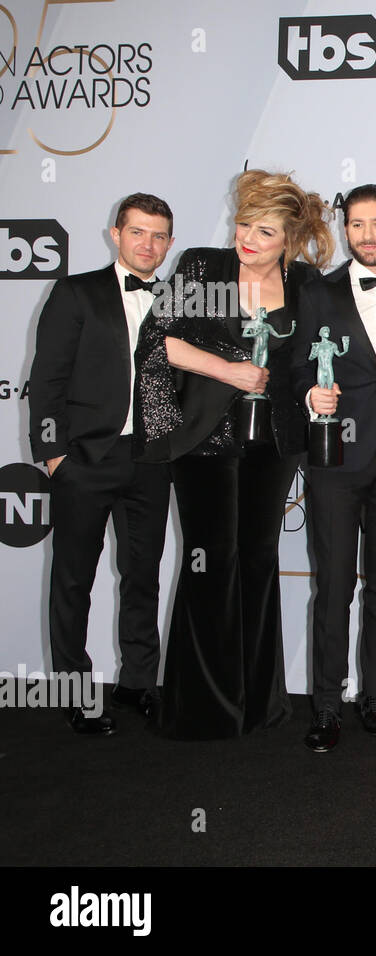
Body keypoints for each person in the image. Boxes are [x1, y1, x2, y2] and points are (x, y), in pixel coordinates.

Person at [135, 169, 332, 739]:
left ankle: (258, 703)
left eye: (265, 233)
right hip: (204, 440)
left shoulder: (304, 285)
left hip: (272, 444)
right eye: (244, 225)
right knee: (208, 561)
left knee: (256, 560)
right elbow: (158, 338)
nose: (248, 239)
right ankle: (204, 710)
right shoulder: (204, 267)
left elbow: (301, 365)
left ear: (288, 240)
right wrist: (229, 371)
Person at [28, 193, 175, 733]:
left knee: (143, 577)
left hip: (151, 460)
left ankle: (138, 683)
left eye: (159, 236)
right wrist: (52, 456)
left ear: (170, 243)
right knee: (74, 580)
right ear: (117, 234)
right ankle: (74, 694)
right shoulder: (76, 292)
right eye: (138, 232)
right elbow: (45, 382)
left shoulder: (176, 300)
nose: (148, 244)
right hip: (84, 459)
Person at [290, 184, 376, 752]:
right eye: (357, 225)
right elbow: (294, 368)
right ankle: (325, 704)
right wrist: (308, 397)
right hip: (335, 461)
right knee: (335, 587)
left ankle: (374, 696)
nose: (367, 235)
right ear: (345, 230)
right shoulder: (316, 293)